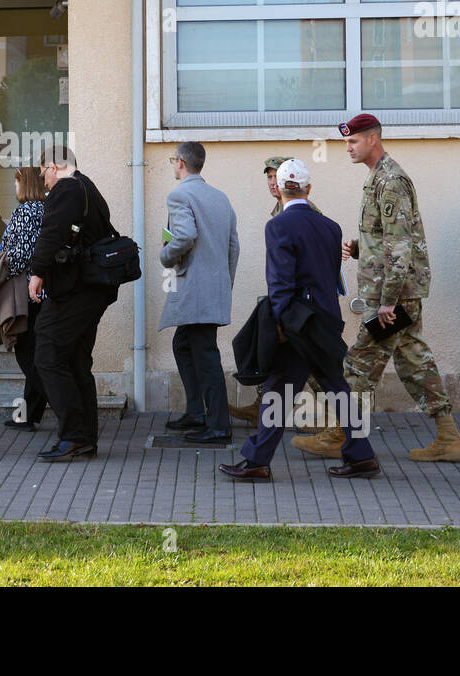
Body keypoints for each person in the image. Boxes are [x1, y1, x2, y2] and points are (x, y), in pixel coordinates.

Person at [294, 114, 460, 462]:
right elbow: (387, 237)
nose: (348, 148)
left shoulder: (390, 180)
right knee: (412, 359)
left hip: (393, 298)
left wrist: (388, 302)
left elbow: (400, 245)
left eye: (353, 142)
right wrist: (362, 247)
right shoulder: (378, 177)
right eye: (346, 142)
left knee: (360, 362)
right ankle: (449, 437)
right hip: (397, 292)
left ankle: (339, 435)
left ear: (373, 139)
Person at [219, 160, 381, 481]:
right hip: (325, 322)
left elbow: (280, 282)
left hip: (296, 325)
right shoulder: (331, 227)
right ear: (309, 189)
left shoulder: (278, 226)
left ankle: (256, 461)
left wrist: (279, 325)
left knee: (278, 393)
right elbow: (328, 276)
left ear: (278, 189)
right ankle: (361, 455)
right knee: (337, 388)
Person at [27, 145, 119, 462]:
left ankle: (72, 435)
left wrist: (36, 274)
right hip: (93, 290)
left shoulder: (66, 189)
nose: (43, 180)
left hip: (75, 291)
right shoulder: (87, 187)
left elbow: (51, 234)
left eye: (43, 173)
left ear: (54, 167)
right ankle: (85, 438)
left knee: (48, 354)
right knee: (78, 362)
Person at [231, 155, 324, 426]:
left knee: (312, 363)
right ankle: (263, 408)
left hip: (303, 300)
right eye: (269, 177)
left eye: (276, 176)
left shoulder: (303, 210)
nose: (272, 182)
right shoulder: (280, 208)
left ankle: (338, 418)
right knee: (280, 354)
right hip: (289, 297)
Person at [158, 141, 239, 444]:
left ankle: (218, 426)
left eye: (172, 160)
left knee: (205, 354)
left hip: (194, 288)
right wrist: (223, 283)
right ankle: (196, 412)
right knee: (184, 344)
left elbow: (185, 236)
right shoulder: (220, 197)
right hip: (213, 288)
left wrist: (165, 255)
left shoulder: (179, 195)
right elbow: (234, 247)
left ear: (180, 162)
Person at [0, 165, 49, 431]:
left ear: (26, 184)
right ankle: (28, 415)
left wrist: (0, 265)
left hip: (27, 292)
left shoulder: (27, 211)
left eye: (17, 182)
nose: (14, 188)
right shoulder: (44, 209)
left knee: (27, 353)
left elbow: (24, 254)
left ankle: (56, 396)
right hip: (40, 292)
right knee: (35, 352)